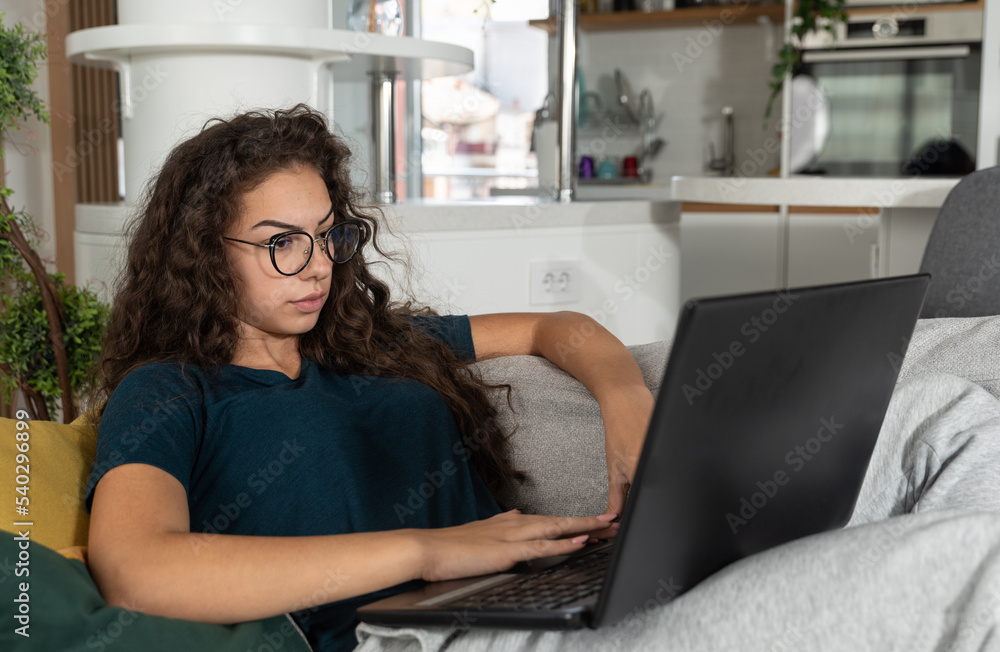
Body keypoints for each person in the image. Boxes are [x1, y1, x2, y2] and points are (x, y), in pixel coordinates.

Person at [84, 104, 655, 652]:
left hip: (519, 600)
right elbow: (136, 571)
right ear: (205, 252)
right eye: (281, 241)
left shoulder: (369, 343)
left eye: (328, 234)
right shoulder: (169, 390)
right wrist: (428, 552)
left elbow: (554, 328)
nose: (318, 265)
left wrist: (626, 399)